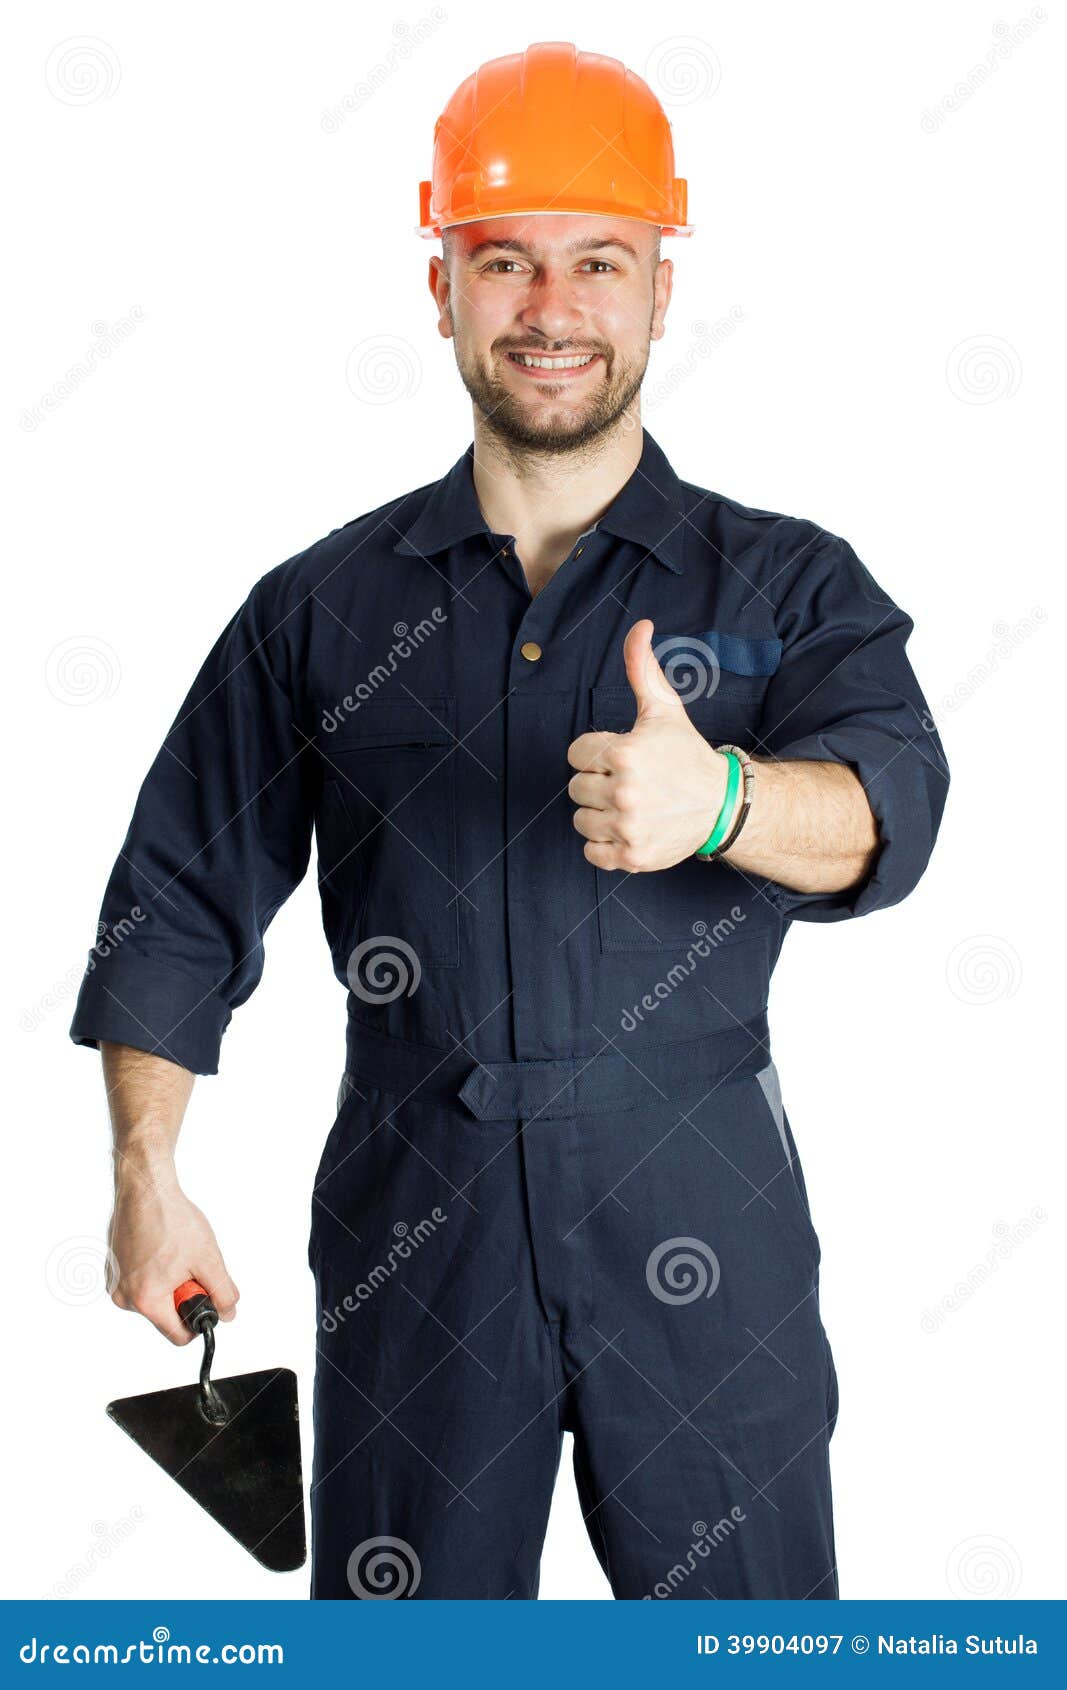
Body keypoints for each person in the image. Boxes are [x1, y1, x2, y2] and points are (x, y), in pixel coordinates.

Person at [70, 42, 949, 1599]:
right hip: (422, 1231)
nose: (552, 308)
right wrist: (147, 1171)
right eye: (505, 261)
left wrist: (726, 795)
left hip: (701, 1231)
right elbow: (176, 897)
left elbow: (893, 806)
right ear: (444, 285)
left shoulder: (786, 586)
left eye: (597, 261)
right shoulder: (323, 609)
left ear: (663, 287)